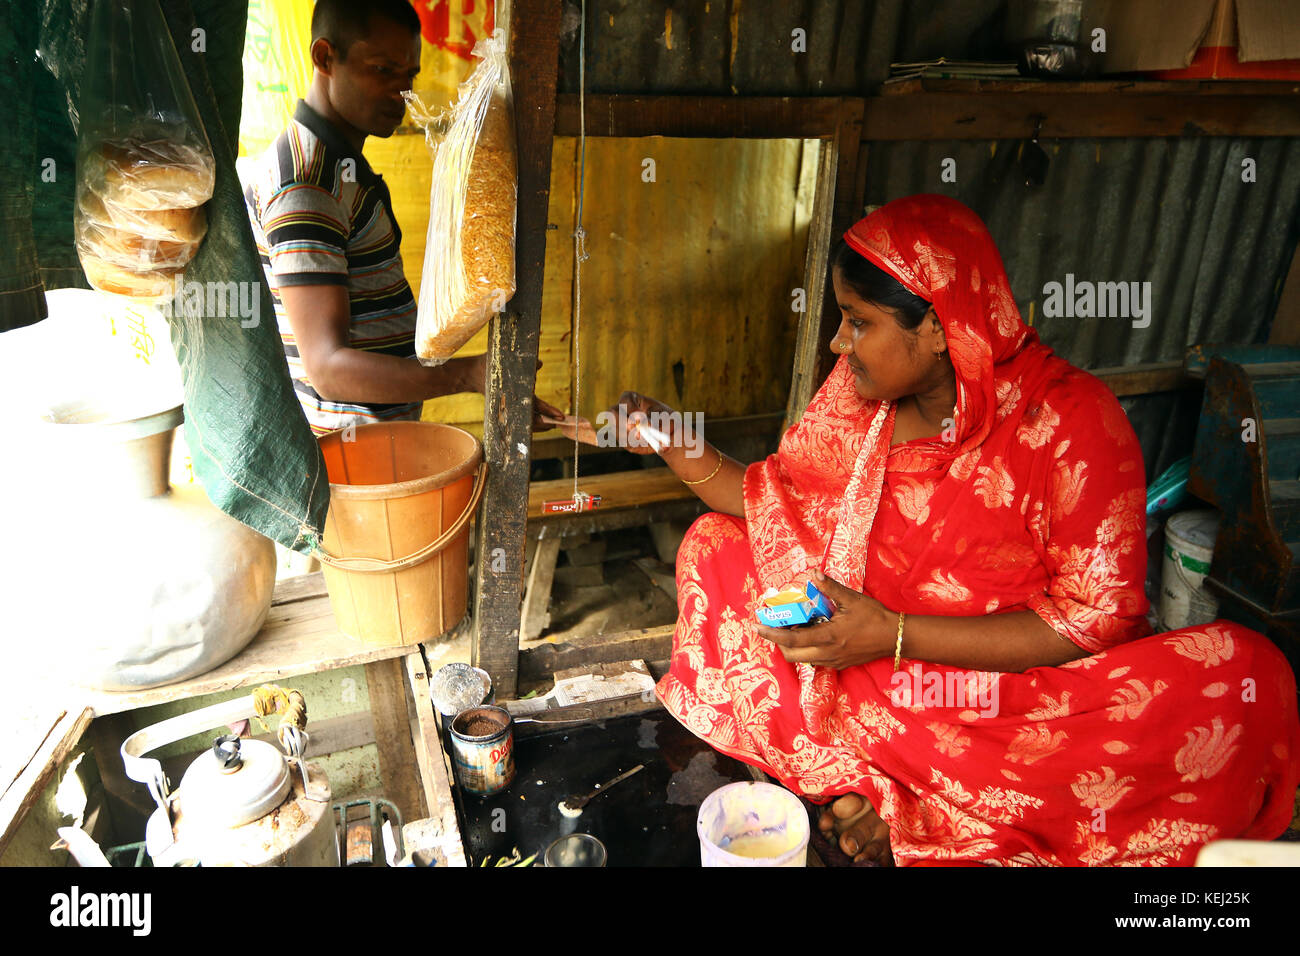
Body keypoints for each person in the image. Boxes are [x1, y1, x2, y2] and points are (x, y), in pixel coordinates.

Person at [613, 194, 1300, 866]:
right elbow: (773, 502)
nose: (837, 342)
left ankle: (894, 790)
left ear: (941, 327)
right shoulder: (863, 399)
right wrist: (669, 434)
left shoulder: (1072, 422)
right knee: (714, 547)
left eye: (857, 322)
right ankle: (898, 791)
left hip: (997, 696)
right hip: (861, 662)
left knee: (1245, 676)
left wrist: (896, 634)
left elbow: (1097, 625)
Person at [243, 0, 559, 434]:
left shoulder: (338, 166)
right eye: (382, 71)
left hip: (376, 440)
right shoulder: (308, 185)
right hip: (350, 452)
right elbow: (328, 369)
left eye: (408, 76)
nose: (402, 94)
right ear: (324, 58)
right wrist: (467, 376)